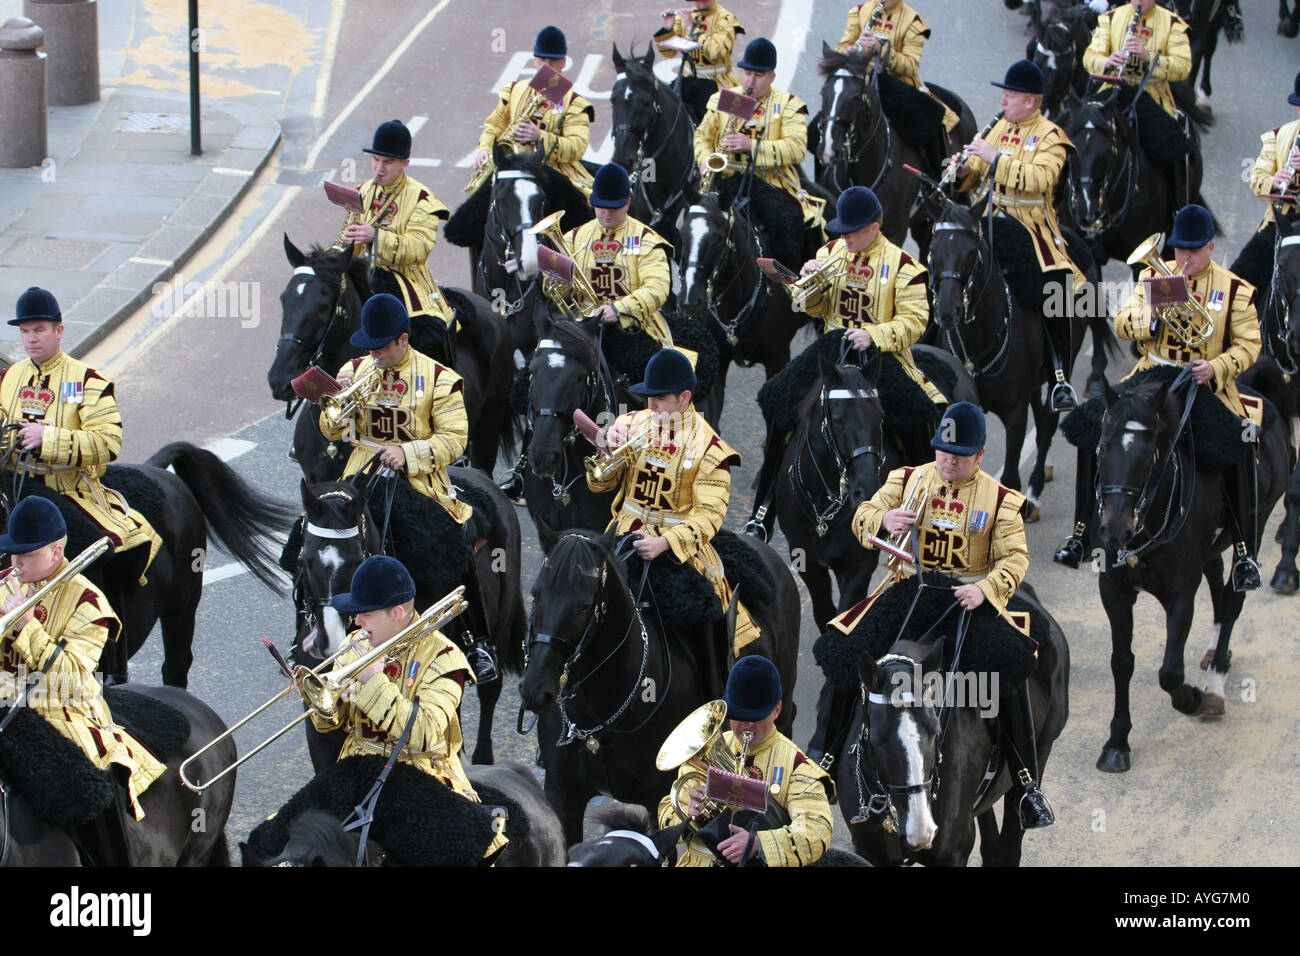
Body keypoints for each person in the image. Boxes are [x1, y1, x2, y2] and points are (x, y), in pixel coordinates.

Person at [819, 402, 1054, 827]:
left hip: (965, 597)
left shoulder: (1001, 501)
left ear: (980, 456)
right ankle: (827, 756)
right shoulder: (906, 478)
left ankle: (1025, 785)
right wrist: (883, 518)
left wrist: (984, 589)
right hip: (908, 590)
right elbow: (863, 516)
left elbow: (1015, 560)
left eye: (960, 455)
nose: (949, 460)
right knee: (842, 650)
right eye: (943, 451)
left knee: (1013, 666)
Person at [1054, 204, 1265, 590]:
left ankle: (1244, 553)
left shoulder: (1234, 289)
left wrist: (1216, 368)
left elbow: (1250, 346)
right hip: (1153, 376)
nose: (1183, 257)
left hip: (1201, 382)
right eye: (1180, 249)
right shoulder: (1159, 278)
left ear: (1210, 248)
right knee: (1089, 426)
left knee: (1240, 442)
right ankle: (1081, 533)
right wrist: (1153, 316)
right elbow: (1121, 323)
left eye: (1193, 250)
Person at [745, 186, 946, 539]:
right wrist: (804, 284)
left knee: (919, 416)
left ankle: (923, 509)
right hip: (833, 349)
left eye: (852, 230)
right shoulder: (831, 252)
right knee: (777, 401)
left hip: (878, 356)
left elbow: (916, 321)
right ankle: (763, 509)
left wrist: (875, 335)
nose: (844, 236)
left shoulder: (905, 267)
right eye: (842, 230)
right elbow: (812, 309)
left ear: (875, 226)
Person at [318, 294, 497, 680]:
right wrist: (336, 398)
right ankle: (313, 623)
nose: (375, 354)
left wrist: (409, 453)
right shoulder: (355, 370)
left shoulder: (439, 379)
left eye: (381, 347)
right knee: (313, 536)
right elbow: (331, 430)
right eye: (370, 346)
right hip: (361, 473)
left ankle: (476, 640)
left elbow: (455, 440)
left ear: (403, 339)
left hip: (417, 479)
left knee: (450, 542)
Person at [497, 163, 678, 502]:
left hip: (629, 328)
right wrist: (553, 284)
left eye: (614, 207)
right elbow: (560, 293)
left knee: (655, 390)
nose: (606, 213)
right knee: (538, 385)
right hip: (581, 329)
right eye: (600, 206)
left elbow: (658, 287)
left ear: (627, 203)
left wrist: (619, 308)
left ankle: (660, 462)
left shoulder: (647, 240)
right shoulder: (576, 237)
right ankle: (525, 465)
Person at [0, 497, 167, 864]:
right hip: (6, 704)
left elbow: (72, 679)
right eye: (12, 553)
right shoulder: (6, 585)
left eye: (25, 555)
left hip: (65, 714)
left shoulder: (89, 604)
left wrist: (26, 627)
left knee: (85, 790)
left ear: (56, 550)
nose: (15, 563)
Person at [311, 555, 508, 861]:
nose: (356, 623)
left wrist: (374, 681)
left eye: (365, 614)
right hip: (356, 769)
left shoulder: (445, 658)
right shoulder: (357, 643)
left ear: (398, 612)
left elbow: (424, 734)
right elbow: (332, 723)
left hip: (421, 776)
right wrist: (318, 701)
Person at [587, 349, 755, 697]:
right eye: (648, 398)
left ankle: (714, 694)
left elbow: (710, 516)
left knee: (704, 614)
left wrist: (665, 543)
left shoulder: (711, 448)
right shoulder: (631, 423)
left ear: (685, 398)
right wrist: (604, 452)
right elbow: (599, 484)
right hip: (622, 535)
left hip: (679, 548)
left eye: (660, 399)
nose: (652, 407)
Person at [0, 288, 163, 604]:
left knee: (90, 553)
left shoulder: (88, 380)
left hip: (70, 492)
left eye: (39, 330)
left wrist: (46, 439)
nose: (31, 339)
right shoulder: (10, 378)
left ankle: (104, 627)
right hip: (16, 487)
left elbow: (108, 442)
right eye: (24, 332)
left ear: (58, 330)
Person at [954, 59, 1086, 412]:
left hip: (1030, 224)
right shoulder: (997, 127)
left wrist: (996, 159)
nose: (1002, 104)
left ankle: (1059, 376)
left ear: (1030, 101)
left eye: (1009, 97)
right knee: (946, 260)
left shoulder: (1052, 137)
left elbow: (1042, 180)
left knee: (1055, 289)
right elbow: (976, 173)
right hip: (986, 216)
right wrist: (962, 170)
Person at [657, 656, 833, 866]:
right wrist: (687, 815)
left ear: (777, 710)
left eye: (757, 717)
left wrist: (758, 843)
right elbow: (666, 811)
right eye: (739, 715)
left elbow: (815, 829)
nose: (747, 725)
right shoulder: (704, 750)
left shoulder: (798, 766)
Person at [335, 120, 457, 364]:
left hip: (408, 281)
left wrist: (376, 237)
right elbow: (345, 242)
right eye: (376, 160)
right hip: (363, 273)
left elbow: (419, 247)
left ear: (405, 164)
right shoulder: (362, 192)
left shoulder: (422, 199)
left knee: (428, 337)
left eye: (387, 162)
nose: (379, 168)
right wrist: (343, 248)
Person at [693, 37, 826, 236]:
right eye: (747, 73)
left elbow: (797, 148)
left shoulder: (788, 104)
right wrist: (705, 160)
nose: (751, 81)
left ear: (772, 77)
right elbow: (702, 136)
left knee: (789, 229)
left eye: (759, 75)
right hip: (724, 179)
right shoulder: (724, 98)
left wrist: (752, 146)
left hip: (770, 183)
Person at [1082, 0, 1193, 207]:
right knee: (1078, 133)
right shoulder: (1110, 18)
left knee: (1172, 146)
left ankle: (1178, 206)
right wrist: (1107, 61)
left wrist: (1148, 57)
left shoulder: (1172, 23)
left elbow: (1183, 66)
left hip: (1151, 94)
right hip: (1112, 92)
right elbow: (1089, 57)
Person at [835, 0, 959, 175]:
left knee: (932, 119)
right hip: (859, 83)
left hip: (894, 86)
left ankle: (939, 180)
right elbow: (841, 46)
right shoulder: (860, 12)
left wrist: (882, 49)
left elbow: (911, 66)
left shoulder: (913, 22)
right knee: (825, 123)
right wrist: (850, 51)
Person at [473, 26, 596, 196]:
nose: (547, 66)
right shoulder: (513, 90)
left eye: (553, 61)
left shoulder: (575, 103)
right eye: (542, 60)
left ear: (564, 63)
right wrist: (485, 149)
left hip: (553, 171)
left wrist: (540, 137)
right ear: (534, 61)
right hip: (511, 166)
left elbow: (577, 147)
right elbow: (493, 126)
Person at [655, 1, 745, 122]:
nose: (701, 5)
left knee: (726, 123)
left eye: (705, 0)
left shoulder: (726, 19)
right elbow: (668, 53)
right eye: (697, 1)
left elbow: (715, 53)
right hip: (688, 80)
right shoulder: (685, 16)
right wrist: (667, 30)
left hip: (716, 82)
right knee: (663, 109)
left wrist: (692, 27)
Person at [1249, 70, 1300, 229]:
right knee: (1250, 255)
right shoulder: (1278, 136)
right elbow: (1257, 177)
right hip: (1284, 220)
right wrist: (1275, 182)